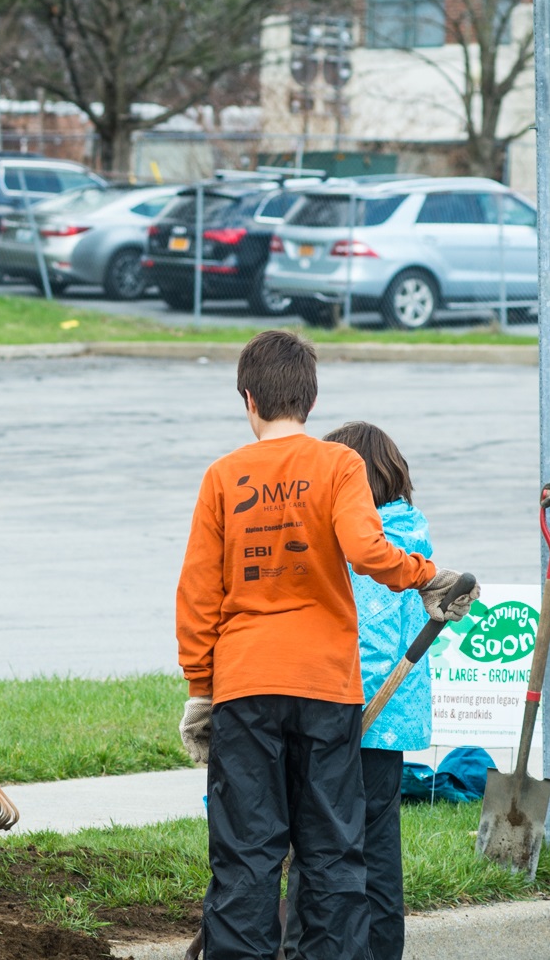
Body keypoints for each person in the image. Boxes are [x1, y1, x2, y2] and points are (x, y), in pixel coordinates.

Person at [174, 330, 475, 960]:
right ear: (310, 402)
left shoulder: (223, 476)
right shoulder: (338, 466)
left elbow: (200, 597)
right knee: (334, 853)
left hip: (247, 685)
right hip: (327, 690)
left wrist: (202, 691)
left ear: (247, 399)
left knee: (246, 858)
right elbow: (368, 551)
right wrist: (426, 577)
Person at [281, 422, 434, 960]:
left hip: (355, 716)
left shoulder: (365, 544)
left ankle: (301, 948)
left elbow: (370, 642)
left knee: (321, 850)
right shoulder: (412, 535)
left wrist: (339, 709)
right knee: (378, 853)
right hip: (392, 726)